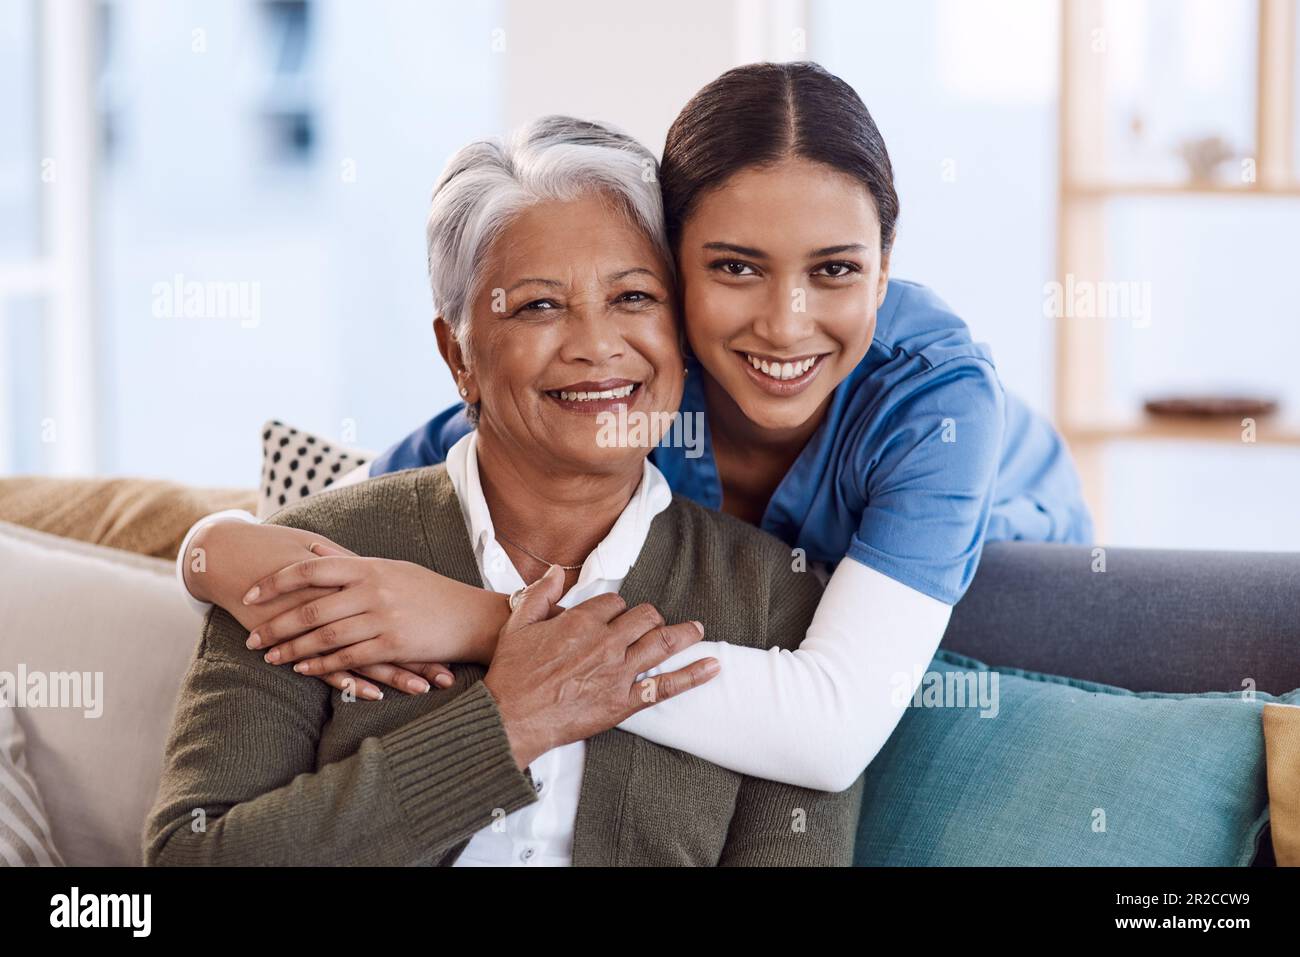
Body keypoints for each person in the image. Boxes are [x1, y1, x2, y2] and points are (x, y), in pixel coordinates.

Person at [179, 63, 1093, 793]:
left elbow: (828, 730)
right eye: (735, 267)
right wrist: (210, 542)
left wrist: (488, 622)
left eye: (838, 268)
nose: (785, 321)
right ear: (672, 268)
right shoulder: (630, 373)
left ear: (886, 268)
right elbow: (332, 524)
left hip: (998, 578)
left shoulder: (931, 399)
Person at [146, 117, 862, 866]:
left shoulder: (773, 598)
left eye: (635, 297)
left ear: (680, 332)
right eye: (539, 306)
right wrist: (505, 726)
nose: (595, 344)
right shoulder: (317, 565)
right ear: (460, 355)